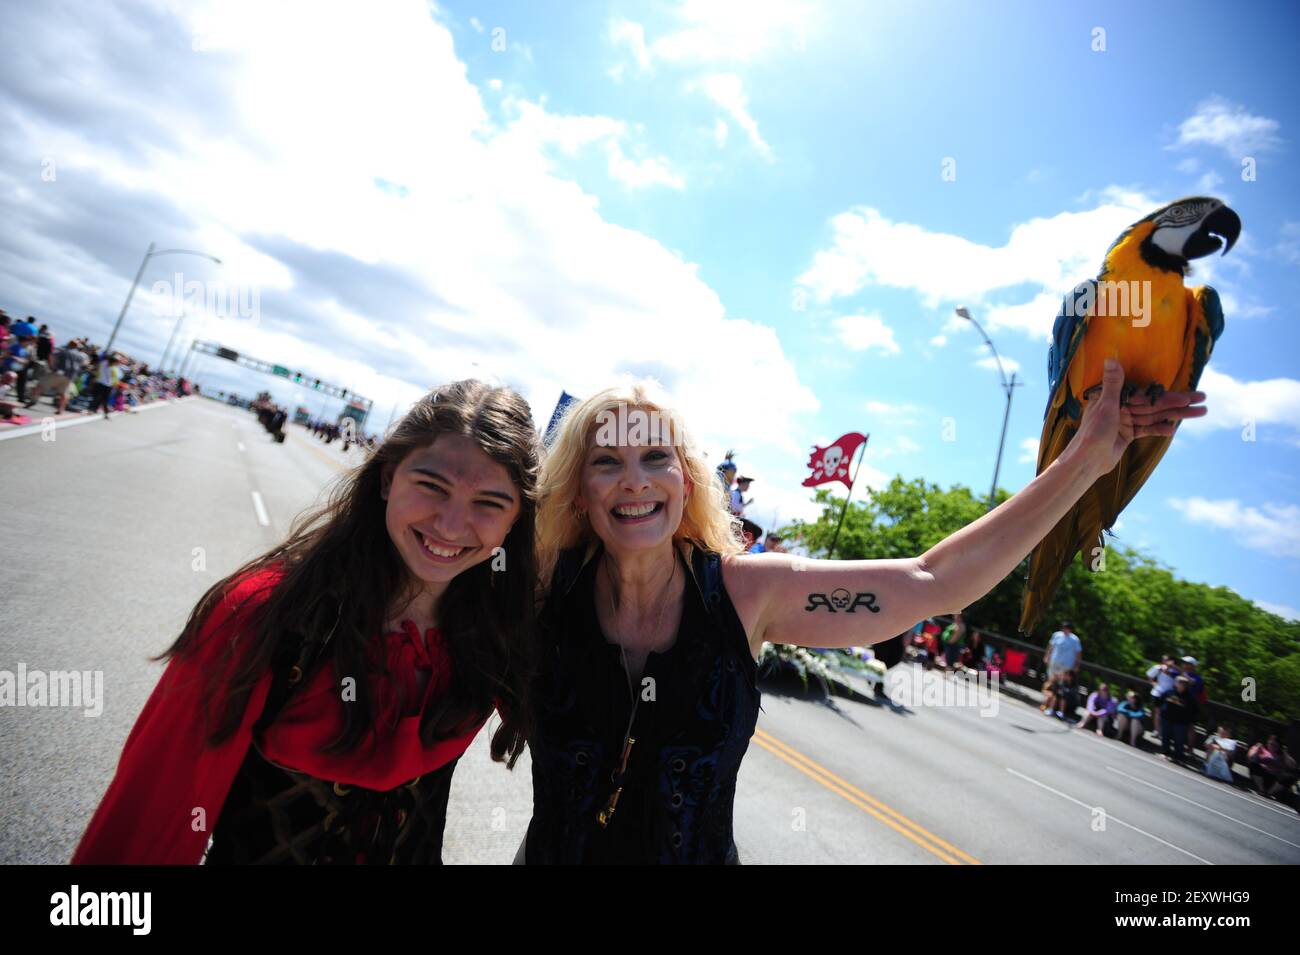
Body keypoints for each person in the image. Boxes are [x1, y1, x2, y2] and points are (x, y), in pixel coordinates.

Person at [518, 357, 1206, 863]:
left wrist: (1087, 458)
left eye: (655, 456)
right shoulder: (542, 587)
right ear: (577, 487)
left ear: (688, 479)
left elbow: (932, 579)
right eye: (606, 460)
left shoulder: (746, 593)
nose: (634, 478)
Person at [72, 380, 540, 864]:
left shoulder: (500, 632)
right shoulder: (262, 614)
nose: (449, 524)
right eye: (430, 485)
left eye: (489, 503)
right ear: (386, 479)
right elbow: (151, 818)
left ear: (516, 519)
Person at [1160, 676, 1199, 765]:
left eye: (1183, 683)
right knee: (1165, 736)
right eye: (1179, 682)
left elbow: (1194, 711)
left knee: (1179, 740)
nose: (1181, 684)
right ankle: (1165, 752)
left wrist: (1190, 721)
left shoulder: (1190, 698)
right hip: (1167, 718)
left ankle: (1178, 757)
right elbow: (1160, 701)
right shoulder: (1169, 692)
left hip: (1181, 722)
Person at [1146, 654, 1180, 736]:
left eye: (1166, 660)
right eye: (1163, 659)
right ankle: (1157, 730)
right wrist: (1153, 683)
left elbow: (1179, 675)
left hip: (1170, 694)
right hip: (1158, 692)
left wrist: (1172, 667)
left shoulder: (1175, 670)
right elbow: (1149, 675)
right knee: (1157, 712)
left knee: (1166, 714)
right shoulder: (1158, 668)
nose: (1165, 661)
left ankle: (1165, 732)